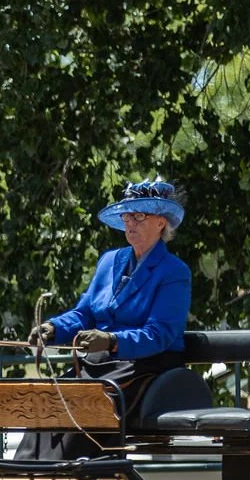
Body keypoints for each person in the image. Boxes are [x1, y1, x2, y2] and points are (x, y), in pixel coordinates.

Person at [14, 179, 191, 461]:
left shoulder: (174, 272)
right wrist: (54, 328)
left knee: (87, 405)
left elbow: (159, 334)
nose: (130, 223)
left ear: (161, 222)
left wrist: (111, 341)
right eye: (126, 216)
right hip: (102, 364)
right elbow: (85, 314)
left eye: (139, 215)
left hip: (146, 365)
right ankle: (25, 478)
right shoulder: (110, 261)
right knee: (46, 401)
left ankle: (68, 477)